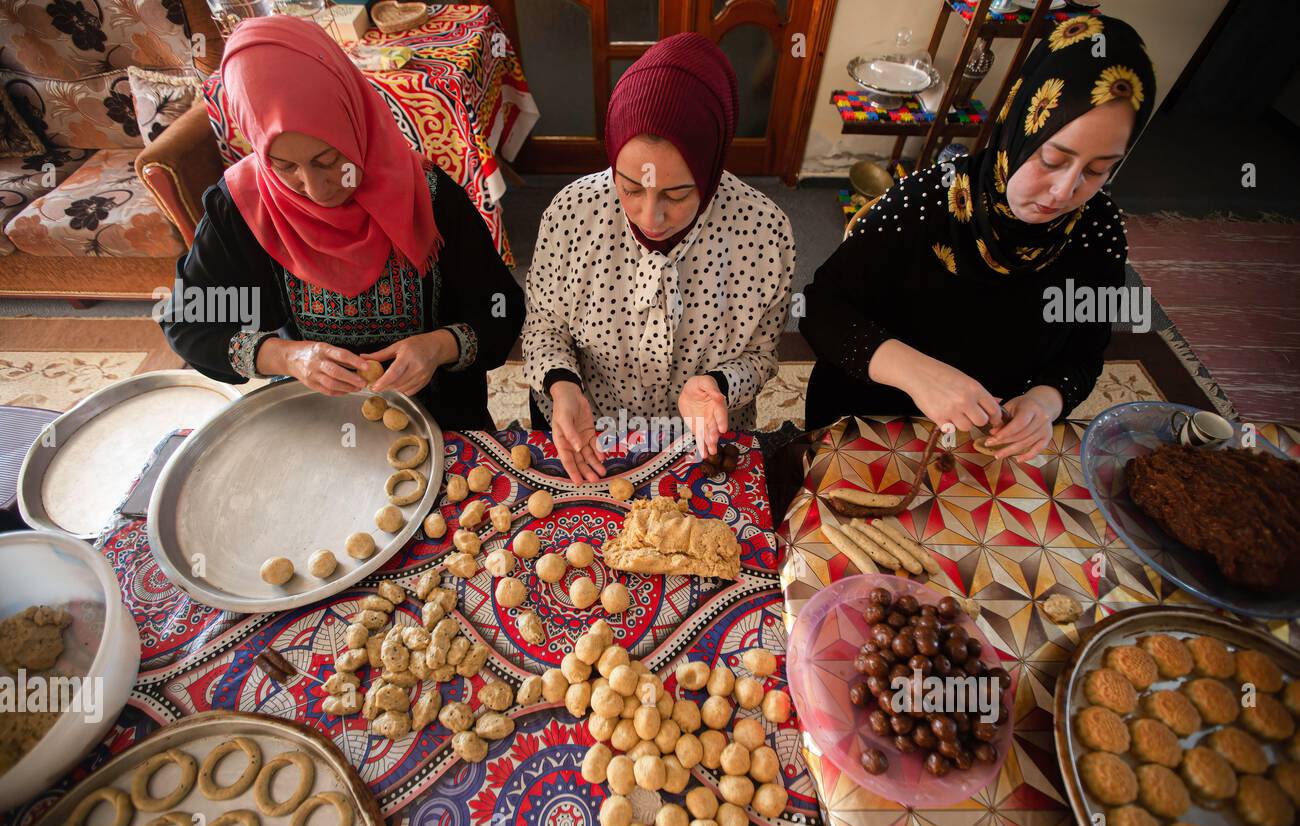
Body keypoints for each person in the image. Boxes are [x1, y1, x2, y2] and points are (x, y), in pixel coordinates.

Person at [801, 15, 1155, 461]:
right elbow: (819, 309)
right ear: (1020, 128)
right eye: (1051, 159)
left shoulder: (1098, 230)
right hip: (869, 418)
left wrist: (1046, 400)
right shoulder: (926, 203)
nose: (1065, 192)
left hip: (985, 440)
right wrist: (916, 373)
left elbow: (1085, 350)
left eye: (1097, 170)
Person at [158, 17, 522, 429]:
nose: (315, 189)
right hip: (316, 418)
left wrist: (439, 347)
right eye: (285, 166)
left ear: (355, 119)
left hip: (439, 413)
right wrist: (287, 356)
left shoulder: (426, 195)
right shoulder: (243, 208)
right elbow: (189, 322)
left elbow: (502, 308)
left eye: (328, 161)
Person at [521, 33, 795, 483]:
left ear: (709, 171)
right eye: (629, 188)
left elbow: (762, 356)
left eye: (677, 193)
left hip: (704, 445)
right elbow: (544, 325)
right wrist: (562, 386)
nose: (651, 217)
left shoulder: (764, 235)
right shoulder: (572, 214)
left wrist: (720, 386)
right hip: (596, 437)